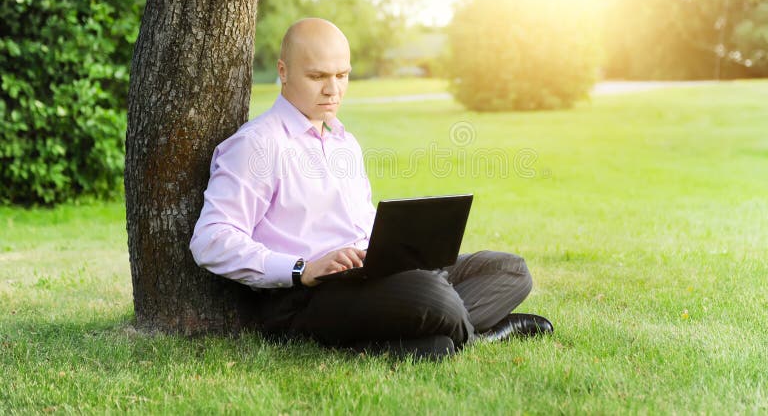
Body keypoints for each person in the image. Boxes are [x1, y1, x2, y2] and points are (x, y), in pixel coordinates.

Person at [190, 18, 553, 359]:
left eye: (342, 75)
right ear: (283, 72)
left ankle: (434, 336)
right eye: (317, 76)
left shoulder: (343, 141)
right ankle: (473, 333)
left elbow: (358, 220)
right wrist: (303, 269)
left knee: (510, 270)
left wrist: (402, 249)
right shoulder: (257, 145)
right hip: (306, 296)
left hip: (369, 274)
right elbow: (210, 239)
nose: (333, 90)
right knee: (434, 298)